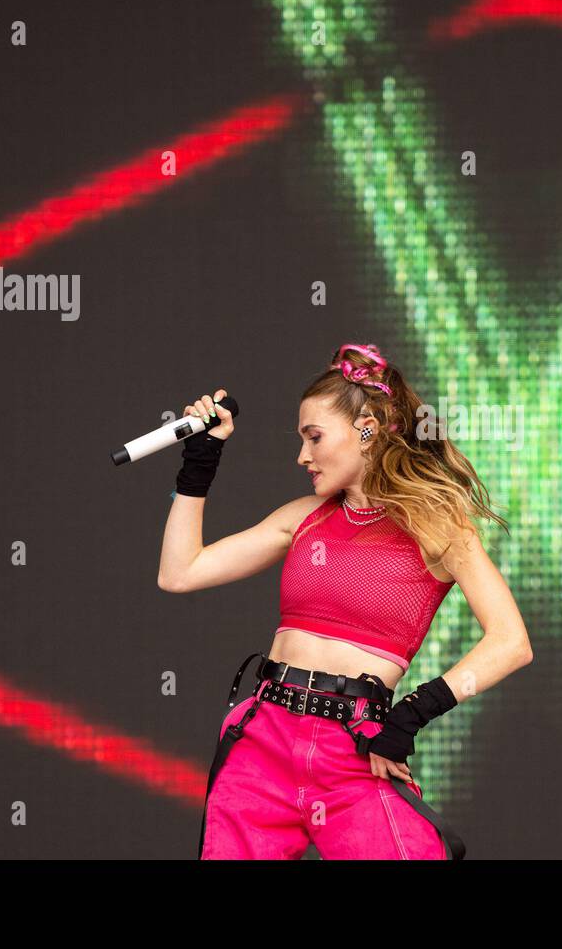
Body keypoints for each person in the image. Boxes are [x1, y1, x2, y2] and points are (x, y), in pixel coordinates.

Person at [158, 342, 532, 859]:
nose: (302, 456)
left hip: (356, 748)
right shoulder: (303, 515)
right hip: (262, 741)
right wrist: (200, 462)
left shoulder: (437, 526)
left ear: (368, 429)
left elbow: (511, 642)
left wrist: (412, 714)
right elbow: (180, 573)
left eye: (314, 437)